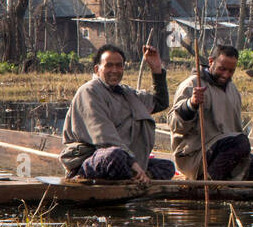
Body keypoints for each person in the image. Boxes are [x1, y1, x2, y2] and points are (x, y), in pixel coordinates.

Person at [61, 43, 176, 182]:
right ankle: (133, 175)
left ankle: (136, 178)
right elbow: (104, 136)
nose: (114, 70)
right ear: (97, 69)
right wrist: (133, 164)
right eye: (109, 65)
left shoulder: (127, 93)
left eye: (119, 65)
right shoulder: (89, 91)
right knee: (116, 156)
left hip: (125, 160)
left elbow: (159, 102)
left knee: (167, 166)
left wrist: (156, 69)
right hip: (92, 159)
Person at [167, 43, 253, 181]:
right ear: (211, 62)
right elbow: (174, 124)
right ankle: (208, 183)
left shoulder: (232, 90)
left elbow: (235, 132)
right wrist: (192, 104)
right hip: (197, 155)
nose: (226, 75)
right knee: (239, 143)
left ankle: (226, 185)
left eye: (231, 71)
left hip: (228, 153)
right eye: (222, 69)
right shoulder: (192, 85)